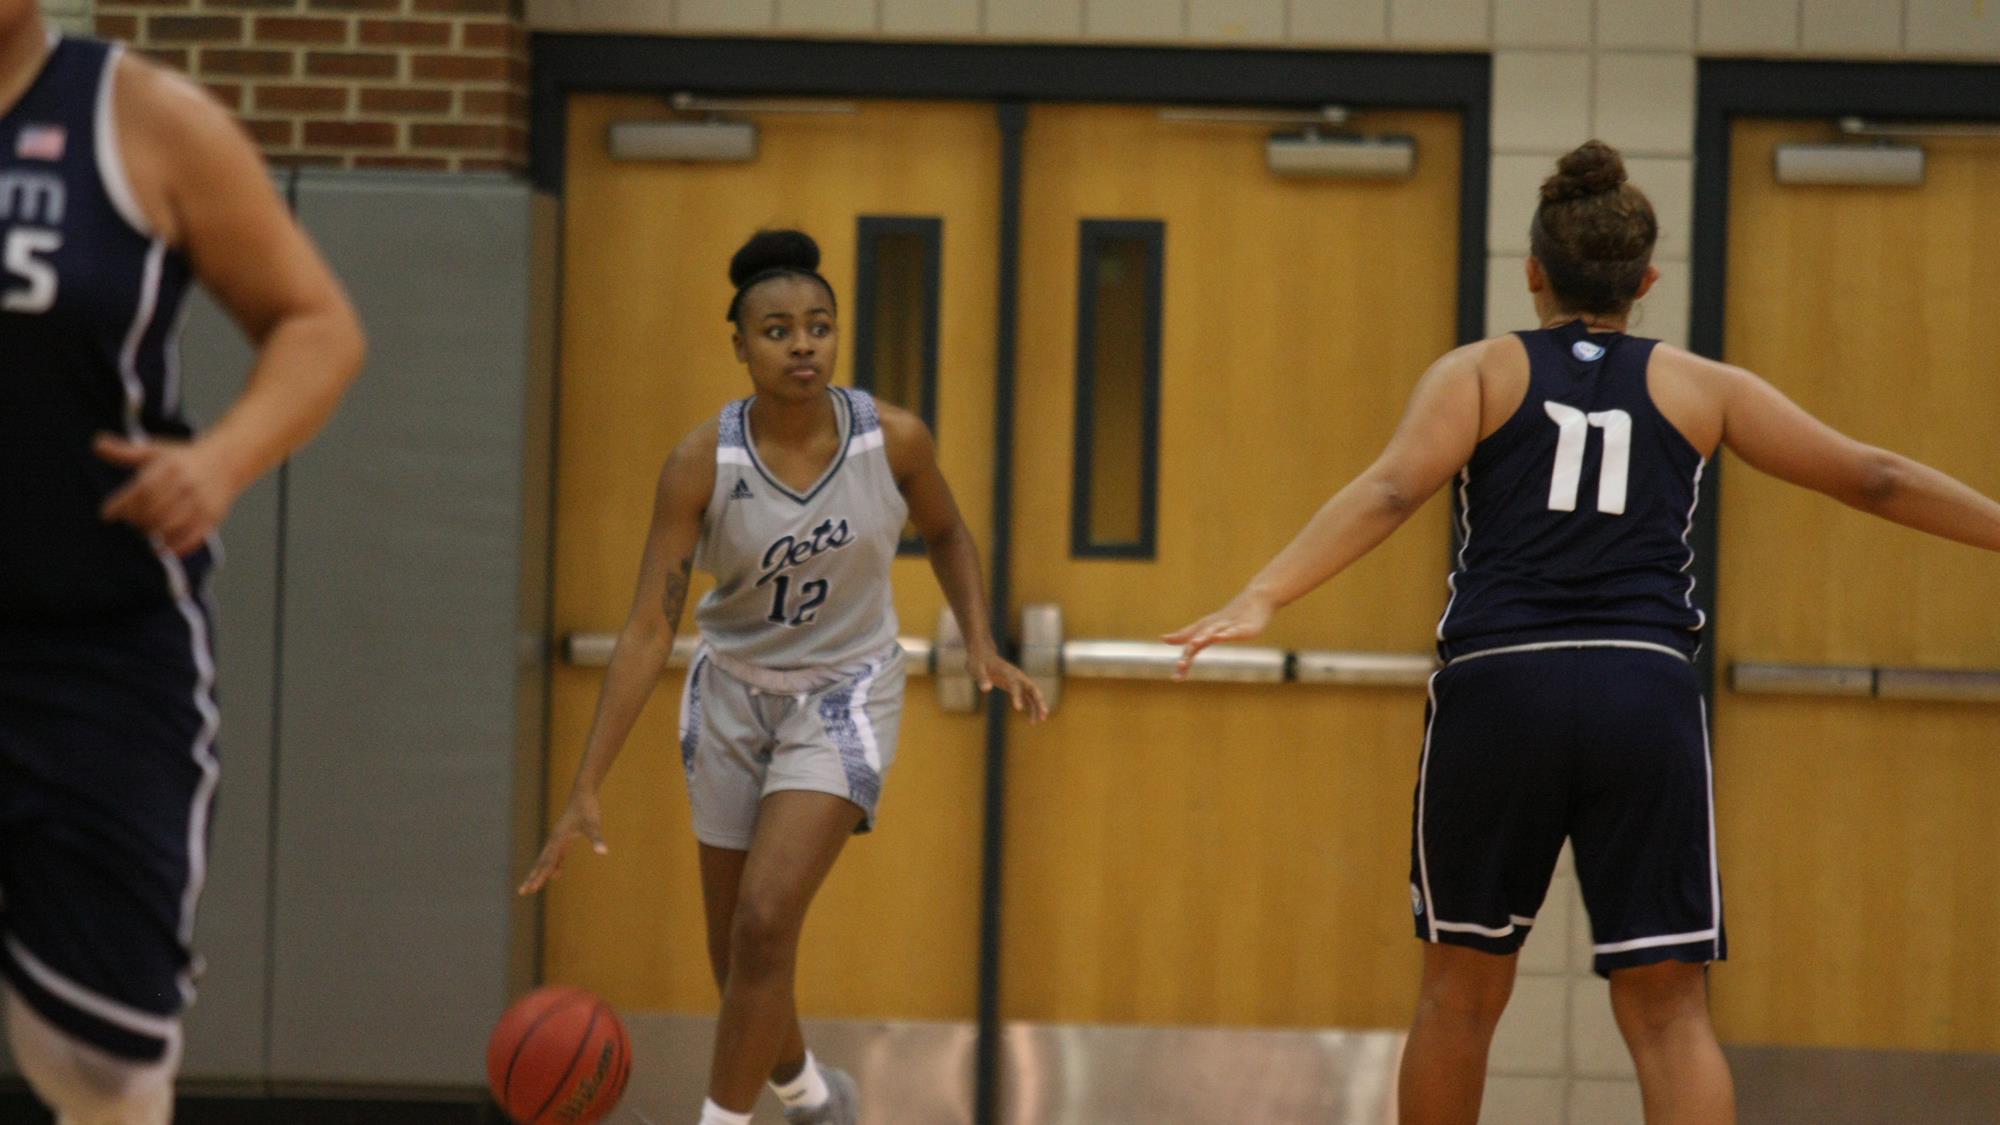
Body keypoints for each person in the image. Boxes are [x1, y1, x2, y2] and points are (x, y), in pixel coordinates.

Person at [1167, 140, 2000, 1125]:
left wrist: (1262, 594)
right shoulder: (1701, 387)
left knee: (1458, 994)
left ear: (1531, 270)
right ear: (1645, 281)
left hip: (1496, 688)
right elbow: (1874, 477)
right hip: (1639, 690)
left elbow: (1392, 488)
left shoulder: (1477, 372)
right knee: (1667, 1011)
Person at [520, 229, 1046, 1125]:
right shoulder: (702, 464)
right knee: (739, 958)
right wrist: (585, 784)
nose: (802, 344)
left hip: (845, 692)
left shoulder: (895, 439)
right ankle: (811, 1098)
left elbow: (948, 531)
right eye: (777, 330)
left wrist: (981, 640)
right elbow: (652, 623)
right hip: (731, 689)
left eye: (819, 326)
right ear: (739, 344)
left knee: (766, 919)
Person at [0, 8, 366, 1124]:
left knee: (96, 1064)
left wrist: (219, 460)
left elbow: (316, 323)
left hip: (96, 641)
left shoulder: (142, 117)